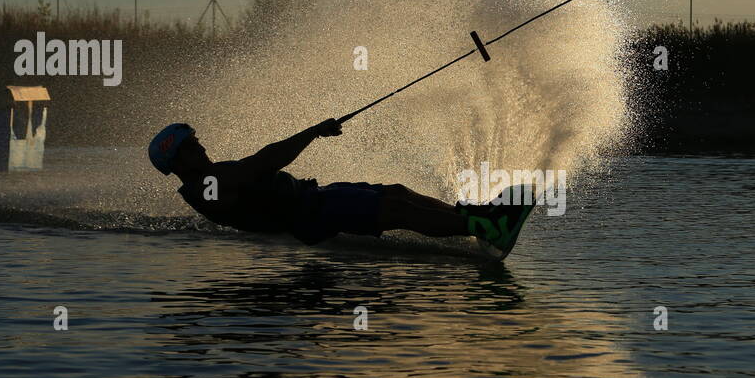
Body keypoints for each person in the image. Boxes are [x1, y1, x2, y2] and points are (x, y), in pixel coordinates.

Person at [147, 120, 529, 253]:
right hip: (311, 214)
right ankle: (487, 226)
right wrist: (314, 132)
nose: (202, 146)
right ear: (178, 160)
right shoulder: (205, 185)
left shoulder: (205, 178)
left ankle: (477, 216)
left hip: (316, 197)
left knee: (396, 193)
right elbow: (264, 163)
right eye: (193, 146)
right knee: (396, 212)